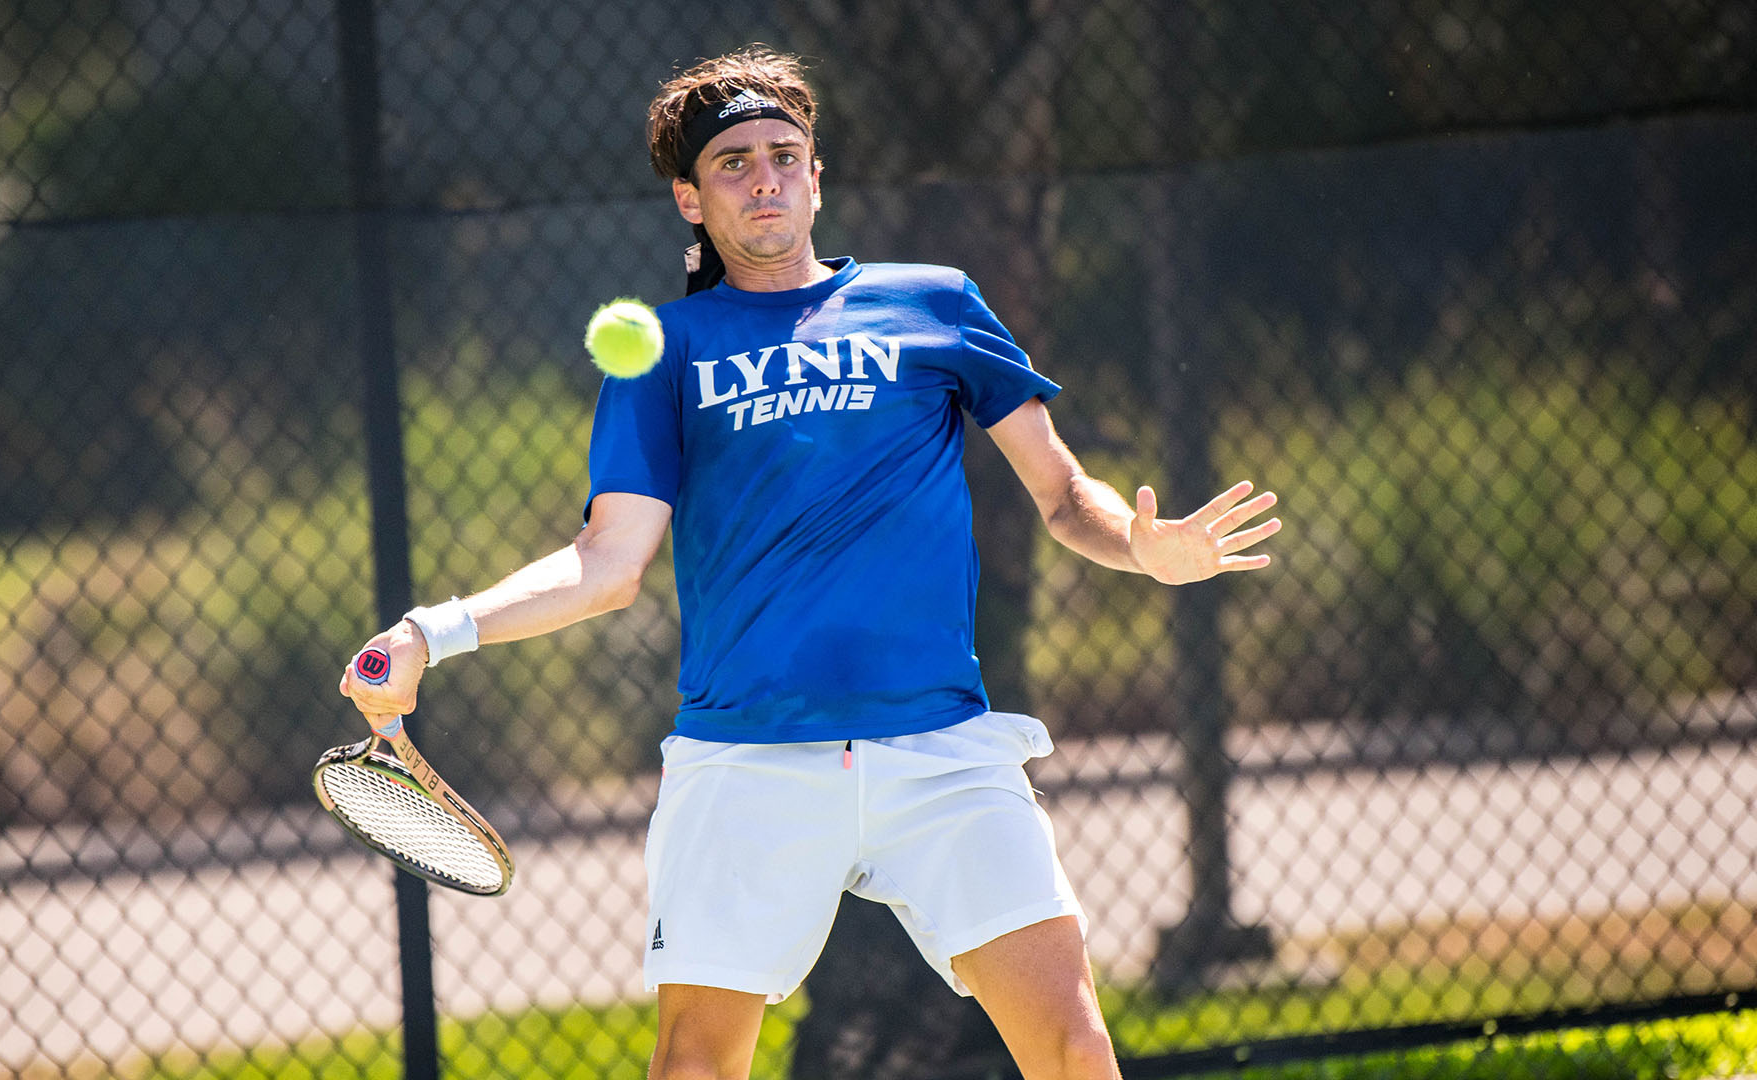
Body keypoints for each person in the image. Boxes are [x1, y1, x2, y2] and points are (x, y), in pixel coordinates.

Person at [341, 44, 1280, 1080]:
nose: (764, 177)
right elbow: (607, 563)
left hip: (943, 754)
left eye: (785, 154)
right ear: (689, 200)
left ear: (818, 174)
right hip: (747, 762)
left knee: (1071, 1045)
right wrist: (434, 628)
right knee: (696, 1065)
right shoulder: (665, 349)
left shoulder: (937, 302)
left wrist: (1143, 548)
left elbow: (1062, 497)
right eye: (733, 163)